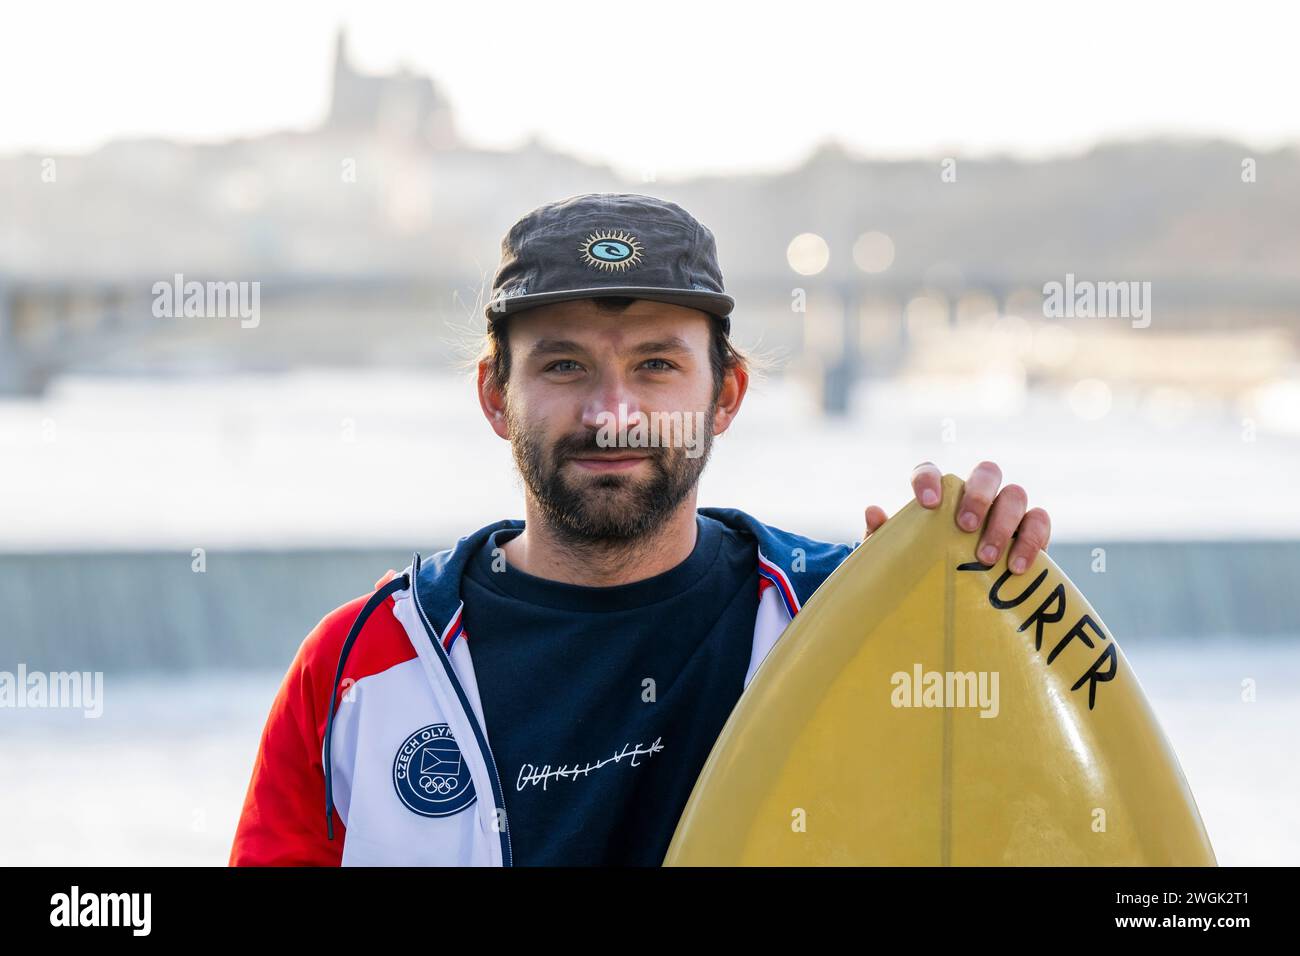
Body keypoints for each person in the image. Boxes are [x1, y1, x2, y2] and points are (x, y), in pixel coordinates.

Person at [228, 193, 1051, 866]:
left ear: (725, 395)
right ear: (494, 396)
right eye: (564, 365)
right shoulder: (359, 670)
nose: (611, 413)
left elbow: (1035, 833)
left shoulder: (845, 629)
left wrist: (992, 629)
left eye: (656, 365)